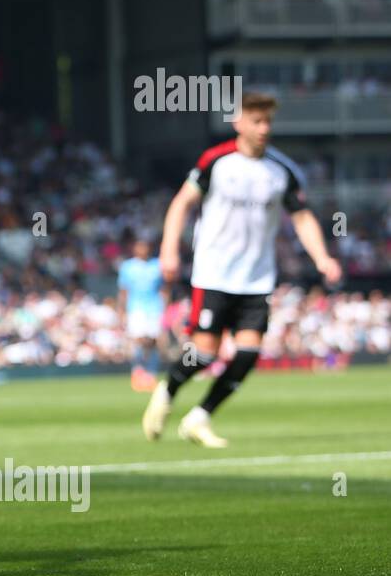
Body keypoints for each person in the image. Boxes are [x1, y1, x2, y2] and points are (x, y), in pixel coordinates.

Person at [141, 94, 342, 447]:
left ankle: (199, 418)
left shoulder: (282, 171)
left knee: (248, 354)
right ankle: (168, 389)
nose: (263, 129)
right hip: (213, 273)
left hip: (256, 278)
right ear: (238, 122)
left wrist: (322, 257)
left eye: (268, 122)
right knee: (204, 354)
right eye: (256, 121)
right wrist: (168, 249)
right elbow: (181, 203)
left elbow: (302, 217)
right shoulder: (216, 161)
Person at [117, 239, 165, 392]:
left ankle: (151, 374)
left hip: (154, 307)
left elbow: (164, 289)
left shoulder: (157, 265)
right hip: (136, 308)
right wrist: (122, 310)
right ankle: (137, 372)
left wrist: (165, 308)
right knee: (138, 340)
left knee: (152, 341)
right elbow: (124, 290)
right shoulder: (128, 266)